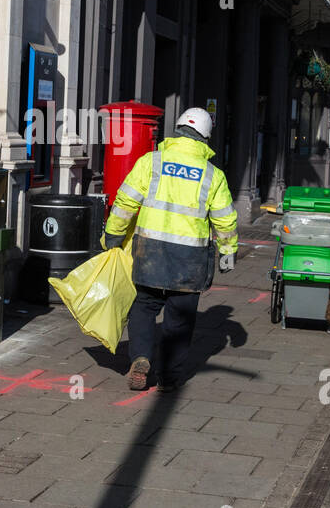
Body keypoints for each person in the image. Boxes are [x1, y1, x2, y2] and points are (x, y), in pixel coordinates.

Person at [102, 107, 239, 392]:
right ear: (205, 138)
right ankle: (170, 377)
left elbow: (125, 202)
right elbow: (224, 219)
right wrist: (228, 251)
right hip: (190, 260)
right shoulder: (213, 175)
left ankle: (140, 357)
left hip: (150, 251)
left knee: (142, 307)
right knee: (179, 318)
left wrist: (113, 234)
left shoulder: (150, 162)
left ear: (177, 131)